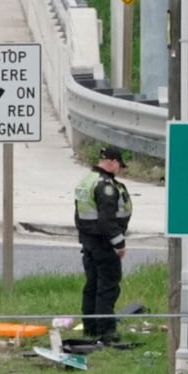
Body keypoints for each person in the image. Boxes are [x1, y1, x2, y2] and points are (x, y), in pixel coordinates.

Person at [74, 146, 132, 344]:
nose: (119, 170)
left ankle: (90, 328)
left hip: (89, 243)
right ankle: (106, 331)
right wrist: (119, 244)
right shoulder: (105, 185)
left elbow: (80, 215)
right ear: (113, 162)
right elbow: (107, 221)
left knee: (92, 286)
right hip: (104, 244)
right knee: (107, 288)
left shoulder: (86, 180)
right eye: (119, 166)